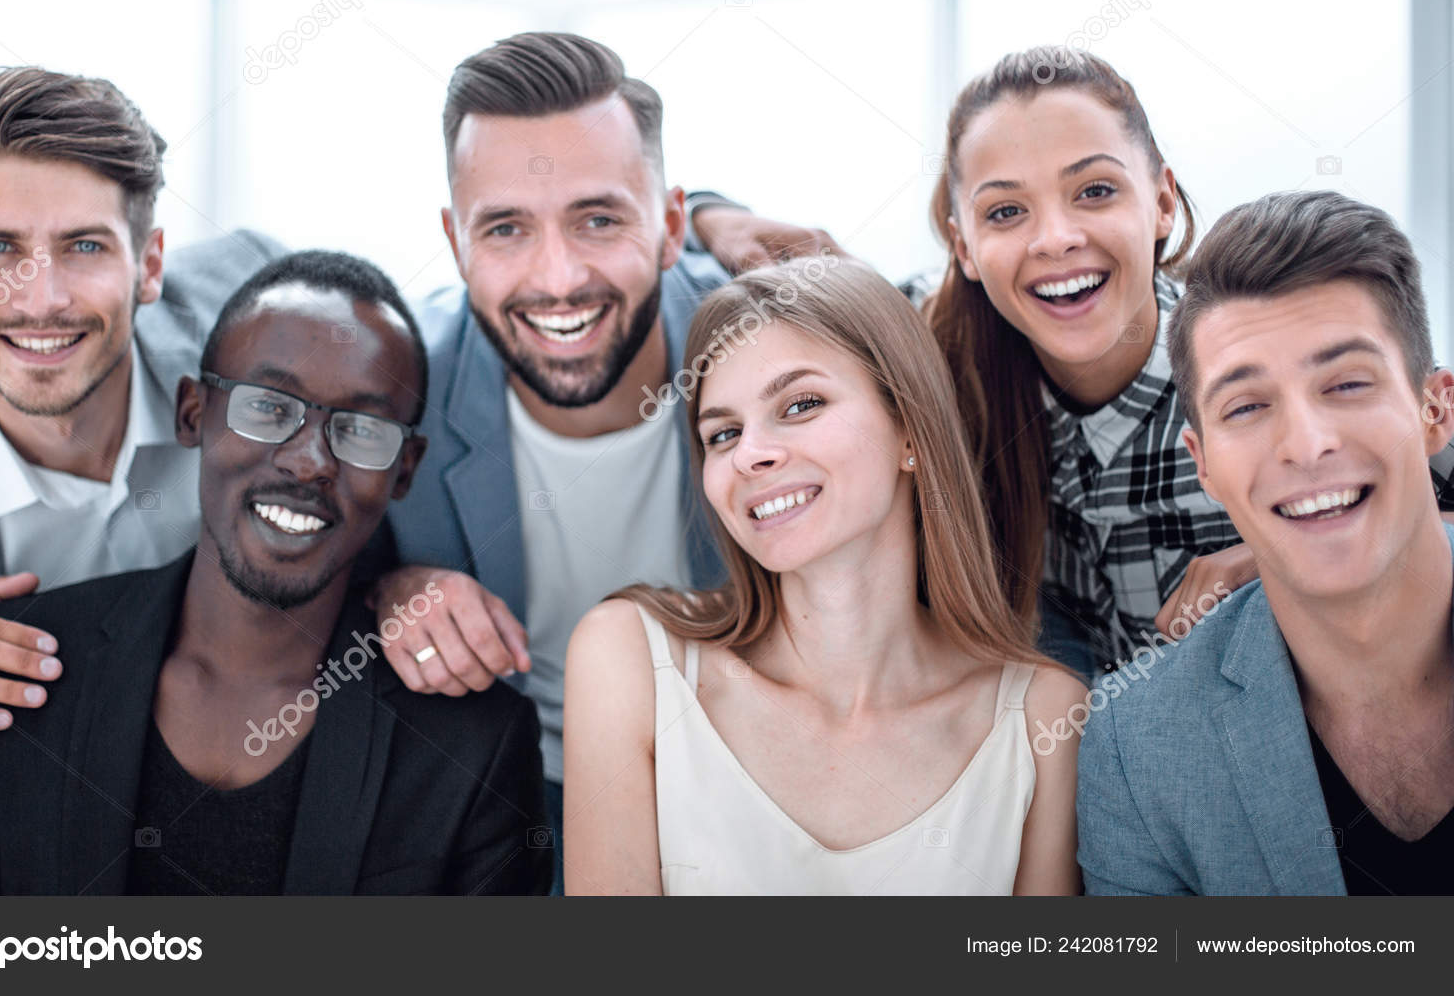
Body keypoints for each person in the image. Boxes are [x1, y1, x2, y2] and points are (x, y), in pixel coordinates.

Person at [0, 251, 552, 895]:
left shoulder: (477, 745)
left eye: (362, 431)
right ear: (194, 412)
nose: (310, 460)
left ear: (403, 469)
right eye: (268, 408)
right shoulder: (11, 672)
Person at [370, 31, 843, 891]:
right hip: (516, 807)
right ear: (455, 241)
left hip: (771, 781)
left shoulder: (779, 348)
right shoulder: (398, 382)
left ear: (668, 224)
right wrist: (388, 591)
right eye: (505, 228)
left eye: (598, 219)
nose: (558, 278)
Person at [918, 46, 1454, 681]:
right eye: (1006, 211)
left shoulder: (1256, 355)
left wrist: (1277, 551)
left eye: (1094, 191)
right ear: (964, 247)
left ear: (1163, 203)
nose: (1055, 237)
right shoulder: (947, 379)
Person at [562, 257, 1085, 895]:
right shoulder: (628, 660)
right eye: (722, 434)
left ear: (910, 432)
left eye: (801, 404)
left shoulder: (1044, 718)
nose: (751, 453)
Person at [0, 66, 283, 830]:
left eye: (84, 245)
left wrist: (406, 576)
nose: (41, 298)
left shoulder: (258, 305)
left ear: (148, 264)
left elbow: (403, 401)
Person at [1077, 191, 1454, 895]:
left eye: (1345, 383)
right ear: (1204, 463)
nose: (1307, 444)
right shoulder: (1138, 753)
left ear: (1436, 410)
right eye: (1247, 406)